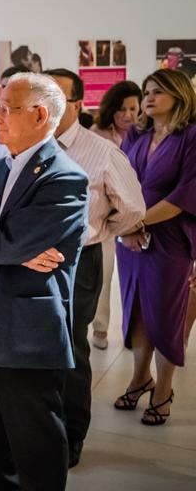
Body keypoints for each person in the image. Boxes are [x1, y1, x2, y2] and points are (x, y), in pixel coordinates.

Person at [0, 72, 88, 491]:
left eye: (6, 108)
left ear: (40, 114)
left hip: (27, 332)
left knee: (36, 444)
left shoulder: (63, 178)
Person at [46, 68, 146, 467]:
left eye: (55, 96)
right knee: (38, 350)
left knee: (71, 346)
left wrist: (101, 229)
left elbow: (133, 207)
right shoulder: (23, 147)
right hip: (28, 262)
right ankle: (38, 427)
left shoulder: (100, 151)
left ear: (76, 104)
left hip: (78, 259)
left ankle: (72, 433)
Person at [113, 68, 196, 426]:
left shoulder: (191, 136)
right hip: (131, 236)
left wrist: (139, 221)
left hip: (170, 237)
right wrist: (125, 226)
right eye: (146, 91)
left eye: (158, 91)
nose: (148, 98)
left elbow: (186, 193)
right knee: (135, 309)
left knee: (165, 313)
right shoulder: (136, 132)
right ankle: (139, 378)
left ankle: (162, 390)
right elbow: (117, 179)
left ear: (179, 96)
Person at [90, 80, 143, 349]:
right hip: (104, 218)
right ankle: (100, 328)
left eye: (133, 108)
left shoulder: (144, 136)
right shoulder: (96, 134)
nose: (128, 115)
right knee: (104, 274)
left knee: (131, 279)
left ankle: (132, 332)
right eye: (122, 109)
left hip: (135, 215)